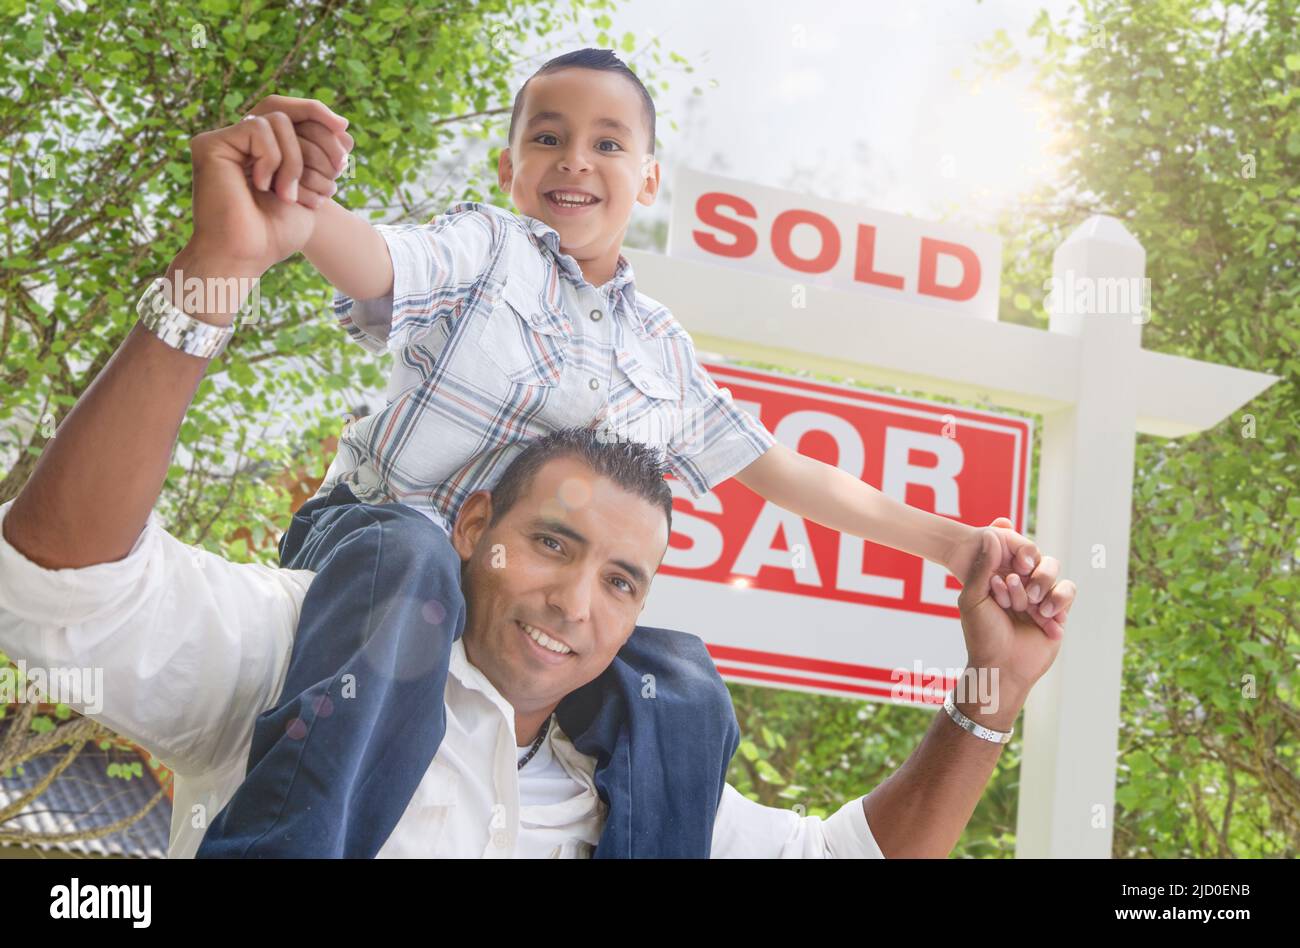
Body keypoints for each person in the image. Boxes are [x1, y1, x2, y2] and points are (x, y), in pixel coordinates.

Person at [0, 70, 1076, 856]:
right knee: (413, 564)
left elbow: (777, 470)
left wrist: (958, 545)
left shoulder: (658, 347)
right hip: (374, 552)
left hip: (476, 585)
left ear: (648, 176)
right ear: (510, 166)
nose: (575, 159)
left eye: (609, 144)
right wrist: (288, 222)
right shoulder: (488, 254)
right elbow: (380, 259)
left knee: (681, 684)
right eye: (547, 137)